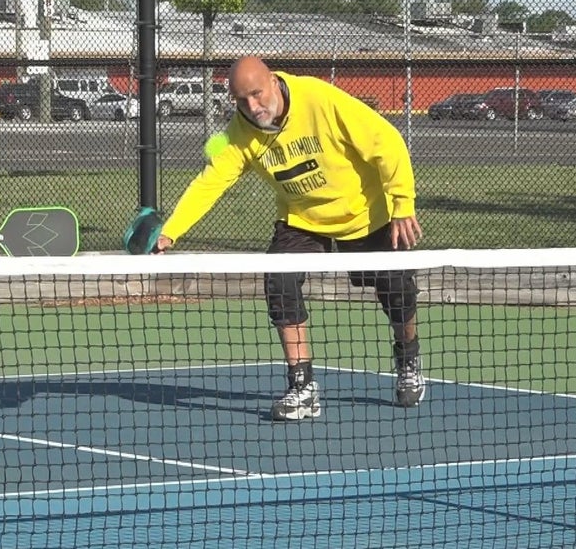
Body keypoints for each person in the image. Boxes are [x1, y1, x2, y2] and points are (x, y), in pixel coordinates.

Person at [155, 56, 424, 420]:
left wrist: (402, 204)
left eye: (257, 93)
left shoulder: (320, 98)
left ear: (273, 81)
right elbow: (211, 179)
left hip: (365, 212)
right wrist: (171, 230)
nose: (252, 106)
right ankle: (303, 386)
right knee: (279, 279)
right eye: (241, 100)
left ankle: (408, 358)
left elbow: (387, 142)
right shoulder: (237, 132)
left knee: (397, 289)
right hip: (301, 217)